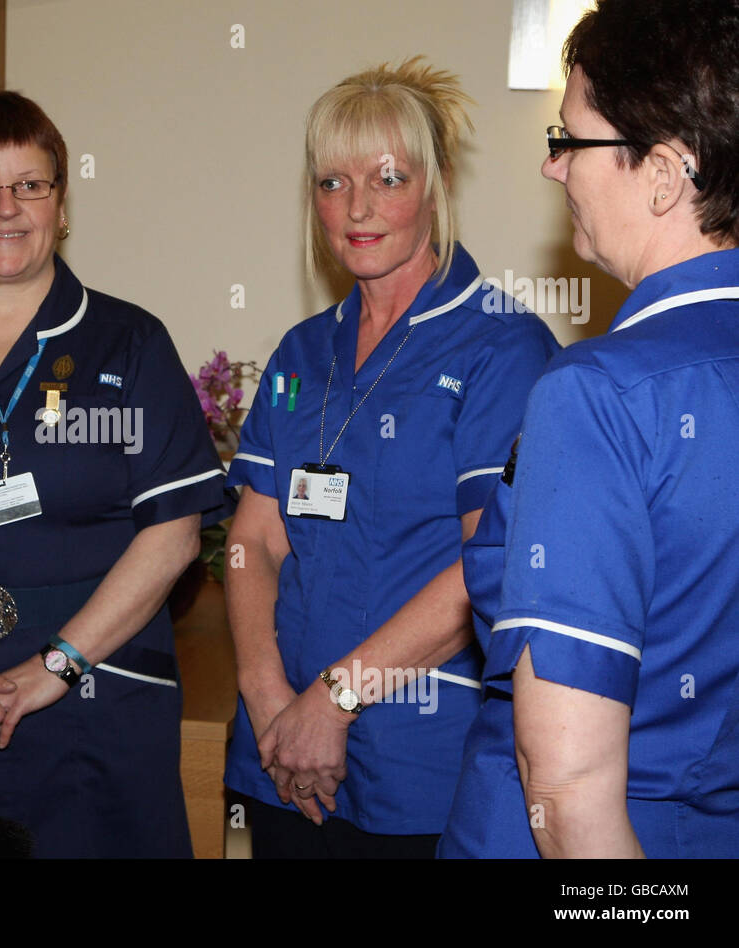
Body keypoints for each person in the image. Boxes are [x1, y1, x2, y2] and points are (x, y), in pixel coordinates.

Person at [0, 90, 233, 858]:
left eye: (30, 185)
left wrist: (58, 665)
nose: (6, 207)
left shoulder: (131, 342)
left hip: (100, 695)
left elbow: (173, 536)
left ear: (61, 206)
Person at [223, 58, 558, 858]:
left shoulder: (500, 347)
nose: (359, 207)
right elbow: (254, 540)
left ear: (436, 187)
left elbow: (494, 562)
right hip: (280, 750)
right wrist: (268, 692)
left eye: (388, 177)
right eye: (332, 183)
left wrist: (335, 701)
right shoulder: (305, 352)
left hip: (418, 766)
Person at [441, 0, 739, 859]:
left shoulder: (599, 394)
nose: (552, 168)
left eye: (570, 140)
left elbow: (567, 791)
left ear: (663, 172)